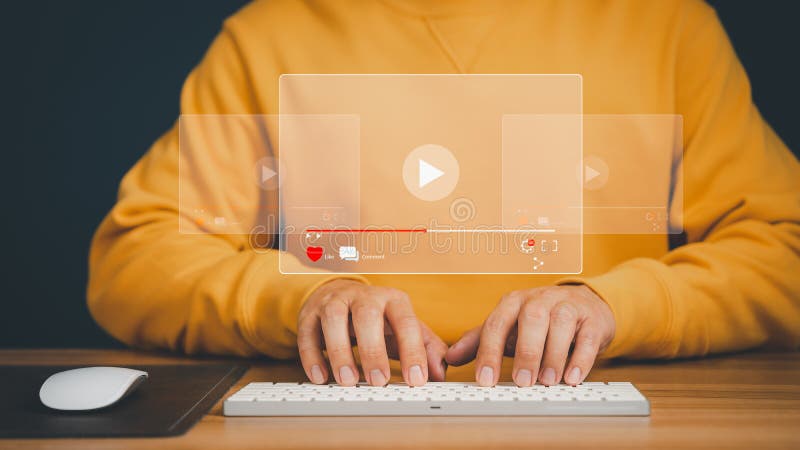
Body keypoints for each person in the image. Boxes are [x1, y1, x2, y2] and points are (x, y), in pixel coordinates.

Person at [88, 0, 800, 388]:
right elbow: (135, 259)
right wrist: (303, 299)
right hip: (338, 422)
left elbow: (784, 248)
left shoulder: (667, 24)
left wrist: (616, 306)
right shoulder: (264, 38)